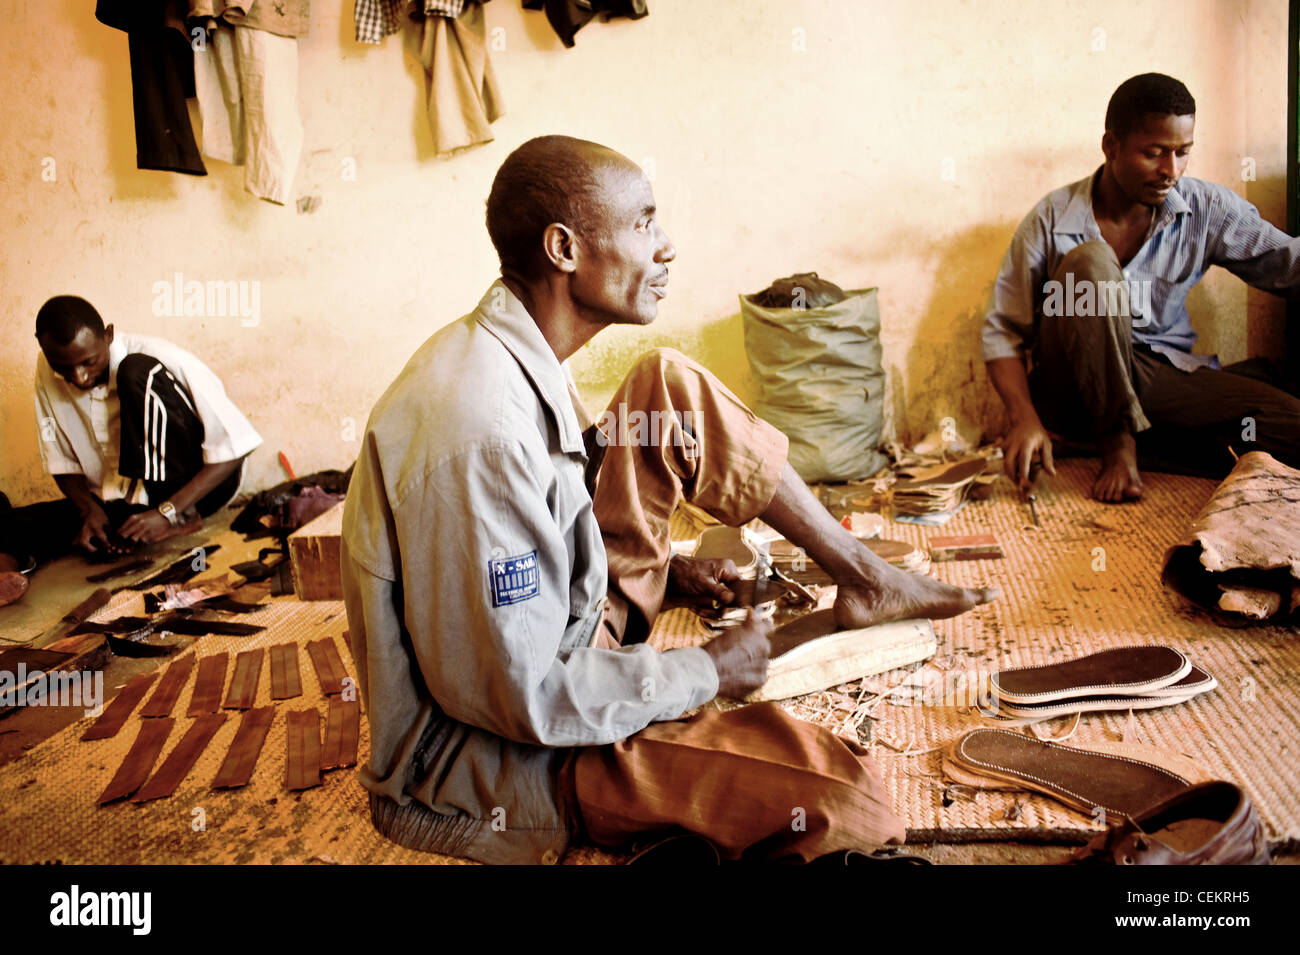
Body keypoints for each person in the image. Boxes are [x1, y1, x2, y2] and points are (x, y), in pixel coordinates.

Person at [341, 134, 999, 865]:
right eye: (643, 223)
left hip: (570, 629)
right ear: (564, 248)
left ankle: (866, 576)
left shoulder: (511, 349)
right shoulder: (478, 431)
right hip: (499, 763)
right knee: (847, 801)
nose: (667, 247)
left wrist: (676, 573)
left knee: (669, 387)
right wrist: (706, 670)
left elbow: (551, 520)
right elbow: (522, 694)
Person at [982, 72, 1300, 503]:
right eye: (1154, 153)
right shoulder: (1052, 217)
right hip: (1070, 385)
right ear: (1111, 146)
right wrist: (1022, 417)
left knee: (1289, 423)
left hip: (1156, 377)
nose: (1171, 170)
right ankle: (1116, 443)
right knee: (1090, 263)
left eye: (1183, 152)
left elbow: (1288, 264)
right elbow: (1003, 332)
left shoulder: (1205, 208)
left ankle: (1130, 444)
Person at [0, 296, 262, 605]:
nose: (78, 377)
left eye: (88, 362)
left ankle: (180, 516)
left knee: (136, 371)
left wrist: (168, 511)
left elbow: (236, 446)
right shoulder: (48, 368)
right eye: (64, 368)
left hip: (195, 491)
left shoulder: (159, 356)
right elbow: (59, 457)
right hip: (122, 500)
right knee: (10, 518)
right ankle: (5, 575)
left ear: (108, 335)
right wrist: (89, 510)